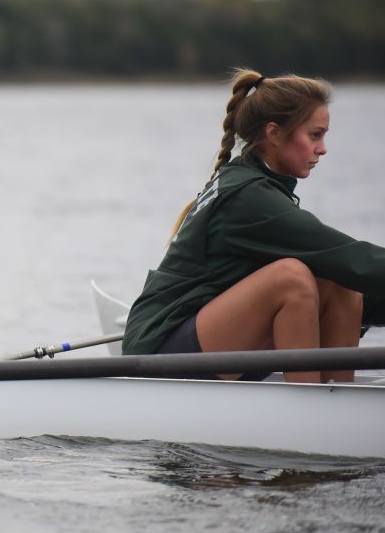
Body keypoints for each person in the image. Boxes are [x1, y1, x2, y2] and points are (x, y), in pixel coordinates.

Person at [122, 69, 385, 382]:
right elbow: (349, 255)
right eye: (315, 135)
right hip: (158, 349)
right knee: (292, 277)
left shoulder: (253, 183)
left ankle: (337, 396)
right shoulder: (249, 197)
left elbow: (348, 268)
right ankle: (310, 411)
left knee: (341, 282)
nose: (323, 148)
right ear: (274, 134)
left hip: (204, 334)